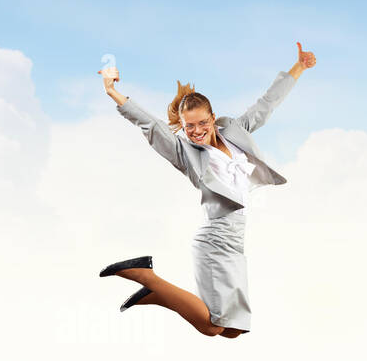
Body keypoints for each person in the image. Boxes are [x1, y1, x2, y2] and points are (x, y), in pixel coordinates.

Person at [98, 43, 315, 337]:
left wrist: (299, 67)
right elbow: (149, 124)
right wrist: (113, 92)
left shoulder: (237, 132)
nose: (196, 131)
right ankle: (143, 274)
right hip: (215, 239)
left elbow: (267, 103)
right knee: (213, 326)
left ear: (213, 118)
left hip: (237, 240)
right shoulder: (184, 153)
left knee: (233, 330)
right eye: (189, 127)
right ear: (183, 128)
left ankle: (156, 294)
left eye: (202, 122)